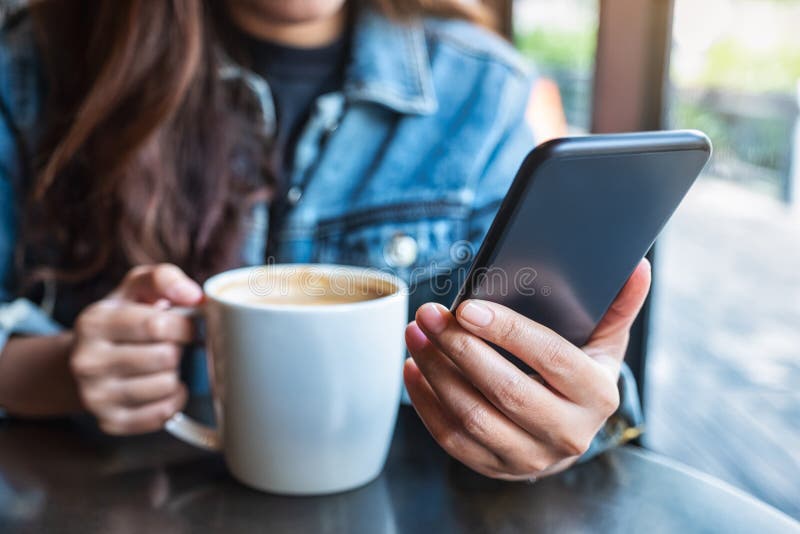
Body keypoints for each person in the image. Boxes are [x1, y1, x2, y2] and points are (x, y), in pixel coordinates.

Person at [0, 0, 648, 481]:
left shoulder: (482, 90)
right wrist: (50, 371)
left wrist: (549, 419)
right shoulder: (38, 66)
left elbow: (539, 364)